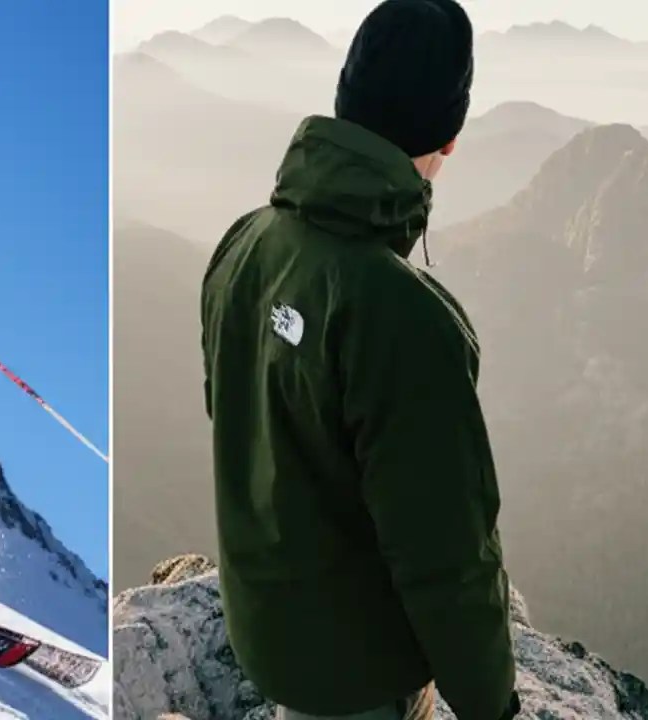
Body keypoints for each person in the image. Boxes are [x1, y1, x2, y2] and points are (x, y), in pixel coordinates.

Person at [199, 1, 521, 719]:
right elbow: (447, 559)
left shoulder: (243, 245)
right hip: (358, 679)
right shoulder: (406, 319)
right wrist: (492, 707)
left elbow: (237, 420)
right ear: (451, 137)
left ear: (344, 101)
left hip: (263, 635)